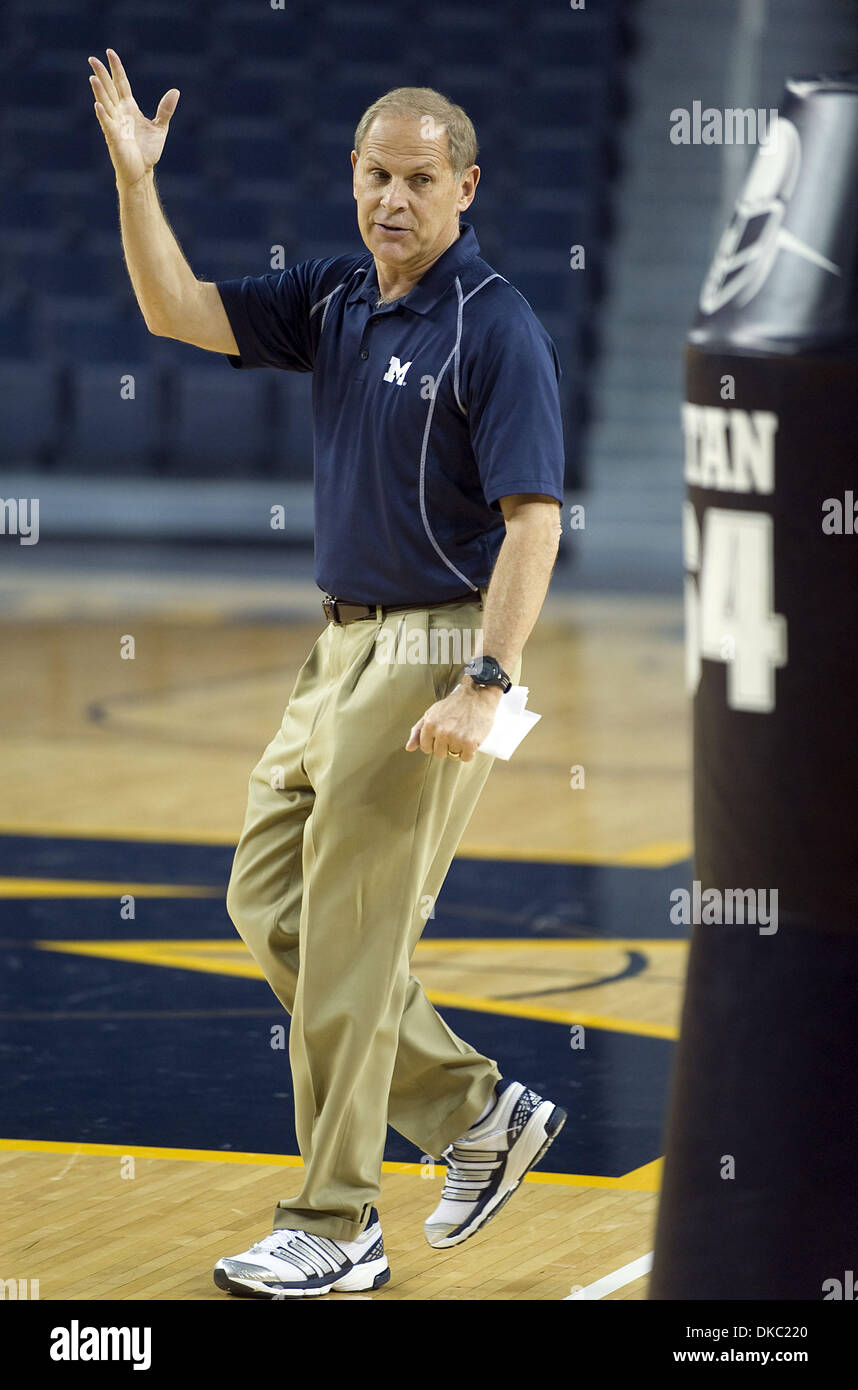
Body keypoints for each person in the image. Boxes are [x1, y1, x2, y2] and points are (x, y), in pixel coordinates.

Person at [90, 48, 568, 1300]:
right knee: (268, 901)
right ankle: (475, 1114)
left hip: (427, 652)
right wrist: (138, 183)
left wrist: (488, 681)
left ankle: (337, 1220)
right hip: (335, 648)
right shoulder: (341, 297)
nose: (393, 199)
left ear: (467, 187)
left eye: (420, 178)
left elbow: (535, 521)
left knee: (350, 948)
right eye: (375, 175)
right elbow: (174, 311)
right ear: (350, 180)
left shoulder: (494, 322)